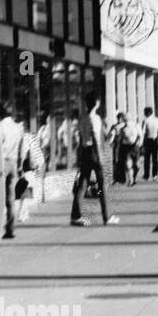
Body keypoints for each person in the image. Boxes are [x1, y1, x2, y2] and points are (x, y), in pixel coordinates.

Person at [71, 92, 118, 226]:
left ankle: (76, 216)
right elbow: (97, 137)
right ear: (96, 103)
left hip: (85, 152)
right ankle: (107, 217)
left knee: (82, 185)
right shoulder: (96, 118)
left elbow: (80, 138)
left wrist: (79, 156)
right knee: (102, 185)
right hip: (95, 152)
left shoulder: (82, 118)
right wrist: (101, 157)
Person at [0, 102, 23, 239]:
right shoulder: (17, 127)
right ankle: (10, 229)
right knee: (11, 199)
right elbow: (21, 148)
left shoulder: (0, 127)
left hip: (2, 163)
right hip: (14, 162)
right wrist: (19, 164)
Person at [141, 106, 158, 180]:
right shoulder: (157, 120)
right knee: (155, 158)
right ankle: (155, 175)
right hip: (155, 140)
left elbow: (142, 132)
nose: (144, 114)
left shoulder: (145, 120)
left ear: (147, 113)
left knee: (147, 159)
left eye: (144, 112)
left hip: (147, 140)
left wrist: (141, 144)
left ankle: (146, 175)